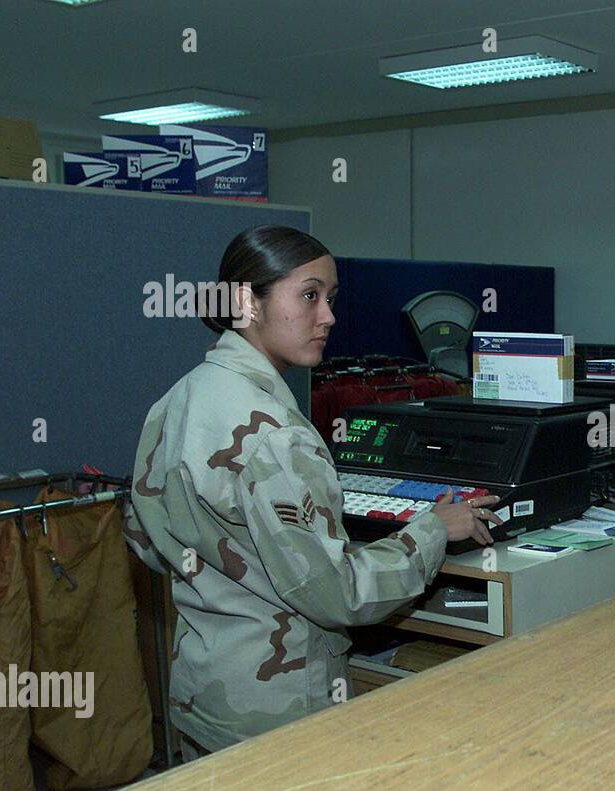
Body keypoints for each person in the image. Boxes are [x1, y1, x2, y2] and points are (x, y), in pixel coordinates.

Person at [123, 225, 501, 759]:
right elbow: (341, 595)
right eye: (308, 295)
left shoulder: (178, 399)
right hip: (277, 711)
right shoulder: (274, 434)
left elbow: (144, 539)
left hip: (204, 688)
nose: (328, 317)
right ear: (245, 302)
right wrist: (434, 530)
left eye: (330, 298)